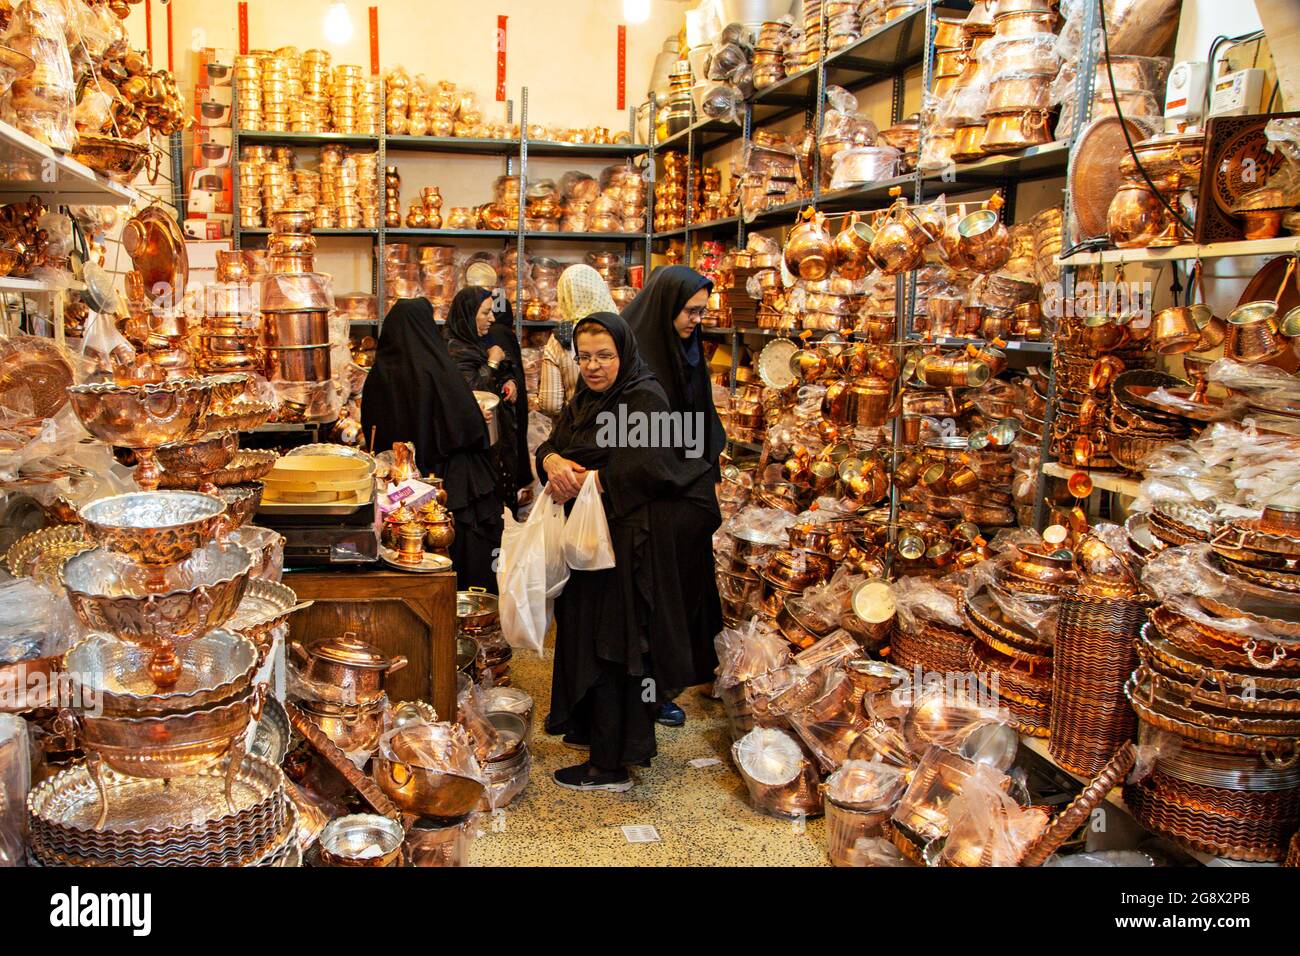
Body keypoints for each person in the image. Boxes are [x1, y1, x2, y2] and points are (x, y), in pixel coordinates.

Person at [536, 312, 694, 792]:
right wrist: (553, 460)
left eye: (604, 356)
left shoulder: (644, 398)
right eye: (584, 357)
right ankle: (588, 729)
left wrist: (589, 480)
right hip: (587, 544)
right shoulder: (588, 397)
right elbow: (554, 441)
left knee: (615, 646)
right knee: (584, 634)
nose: (593, 366)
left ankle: (611, 763)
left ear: (624, 353)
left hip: (626, 547)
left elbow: (654, 468)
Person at [622, 265, 725, 728]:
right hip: (649, 501)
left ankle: (668, 682)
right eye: (689, 311)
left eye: (702, 312)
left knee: (680, 594)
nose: (696, 320)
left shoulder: (685, 351)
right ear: (667, 305)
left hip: (686, 498)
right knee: (650, 599)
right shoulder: (637, 353)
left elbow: (701, 418)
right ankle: (648, 691)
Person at [360, 297, 503, 591]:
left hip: (398, 488)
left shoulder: (379, 375)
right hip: (448, 485)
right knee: (455, 561)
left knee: (403, 560)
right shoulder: (438, 370)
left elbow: (372, 427)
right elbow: (468, 426)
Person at [446, 287, 529, 517]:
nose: (492, 319)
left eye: (492, 312)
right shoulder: (453, 349)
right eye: (485, 313)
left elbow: (503, 371)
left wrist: (510, 381)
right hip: (475, 449)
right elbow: (472, 395)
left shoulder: (482, 342)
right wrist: (492, 363)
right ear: (467, 314)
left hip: (497, 440)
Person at [538, 265, 614, 419]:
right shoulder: (620, 330)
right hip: (617, 427)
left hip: (576, 429)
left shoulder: (561, 337)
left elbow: (550, 404)